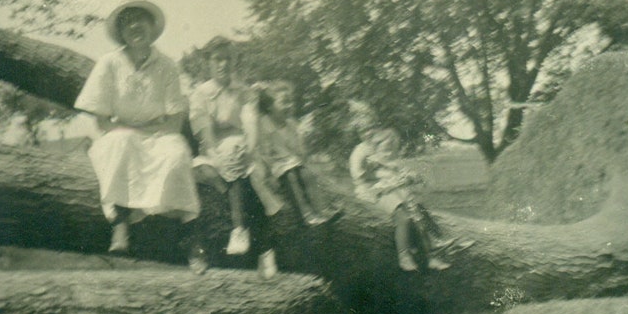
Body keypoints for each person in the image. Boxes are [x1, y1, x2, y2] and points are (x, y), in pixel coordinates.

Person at [73, 0, 201, 258]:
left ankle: (191, 236)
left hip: (160, 135)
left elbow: (174, 122)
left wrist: (149, 128)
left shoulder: (167, 65)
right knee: (121, 143)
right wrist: (132, 127)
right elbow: (103, 122)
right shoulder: (109, 63)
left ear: (152, 27)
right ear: (121, 32)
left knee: (176, 154)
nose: (134, 26)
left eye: (140, 20)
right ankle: (121, 224)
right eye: (127, 22)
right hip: (120, 134)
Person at [188, 37, 283, 268]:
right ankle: (262, 246)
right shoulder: (201, 93)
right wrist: (216, 156)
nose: (223, 64)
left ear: (235, 62)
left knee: (243, 161)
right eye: (218, 59)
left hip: (243, 149)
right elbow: (203, 130)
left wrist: (249, 150)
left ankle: (244, 233)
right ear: (208, 62)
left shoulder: (244, 92)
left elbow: (250, 125)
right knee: (226, 166)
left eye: (229, 59)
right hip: (212, 151)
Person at [349, 125, 452, 271]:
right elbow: (363, 178)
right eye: (366, 133)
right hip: (375, 191)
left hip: (392, 189)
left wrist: (409, 177)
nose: (389, 150)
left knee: (418, 214)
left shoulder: (385, 153)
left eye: (392, 146)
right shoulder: (363, 154)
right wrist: (385, 176)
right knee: (404, 216)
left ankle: (433, 255)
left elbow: (398, 171)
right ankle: (405, 256)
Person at [249, 80, 340, 226]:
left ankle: (323, 209)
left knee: (307, 175)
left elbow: (300, 150)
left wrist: (303, 162)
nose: (289, 106)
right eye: (284, 102)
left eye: (290, 101)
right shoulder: (264, 123)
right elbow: (264, 152)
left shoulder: (292, 124)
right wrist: (269, 175)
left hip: (293, 162)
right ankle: (306, 215)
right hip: (276, 166)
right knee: (291, 176)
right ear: (269, 107)